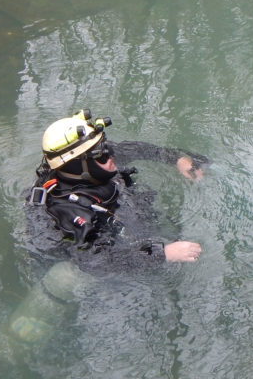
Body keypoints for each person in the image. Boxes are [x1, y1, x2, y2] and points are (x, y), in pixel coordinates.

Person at [25, 109, 207, 268]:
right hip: (112, 245)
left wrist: (175, 159)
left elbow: (136, 149)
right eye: (102, 155)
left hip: (120, 206)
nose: (111, 155)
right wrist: (164, 254)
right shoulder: (67, 210)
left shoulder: (92, 158)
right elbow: (94, 261)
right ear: (79, 166)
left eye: (106, 146)